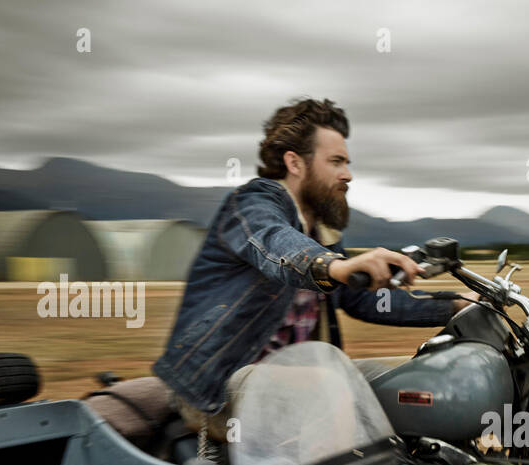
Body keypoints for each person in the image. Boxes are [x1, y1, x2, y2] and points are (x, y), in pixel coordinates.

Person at [153, 97, 474, 441]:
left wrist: (455, 305)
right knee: (327, 387)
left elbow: (361, 300)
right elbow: (274, 243)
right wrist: (333, 265)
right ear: (295, 162)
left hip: (298, 375)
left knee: (404, 387)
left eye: (347, 163)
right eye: (336, 161)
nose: (347, 174)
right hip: (217, 386)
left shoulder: (323, 232)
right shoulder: (251, 205)